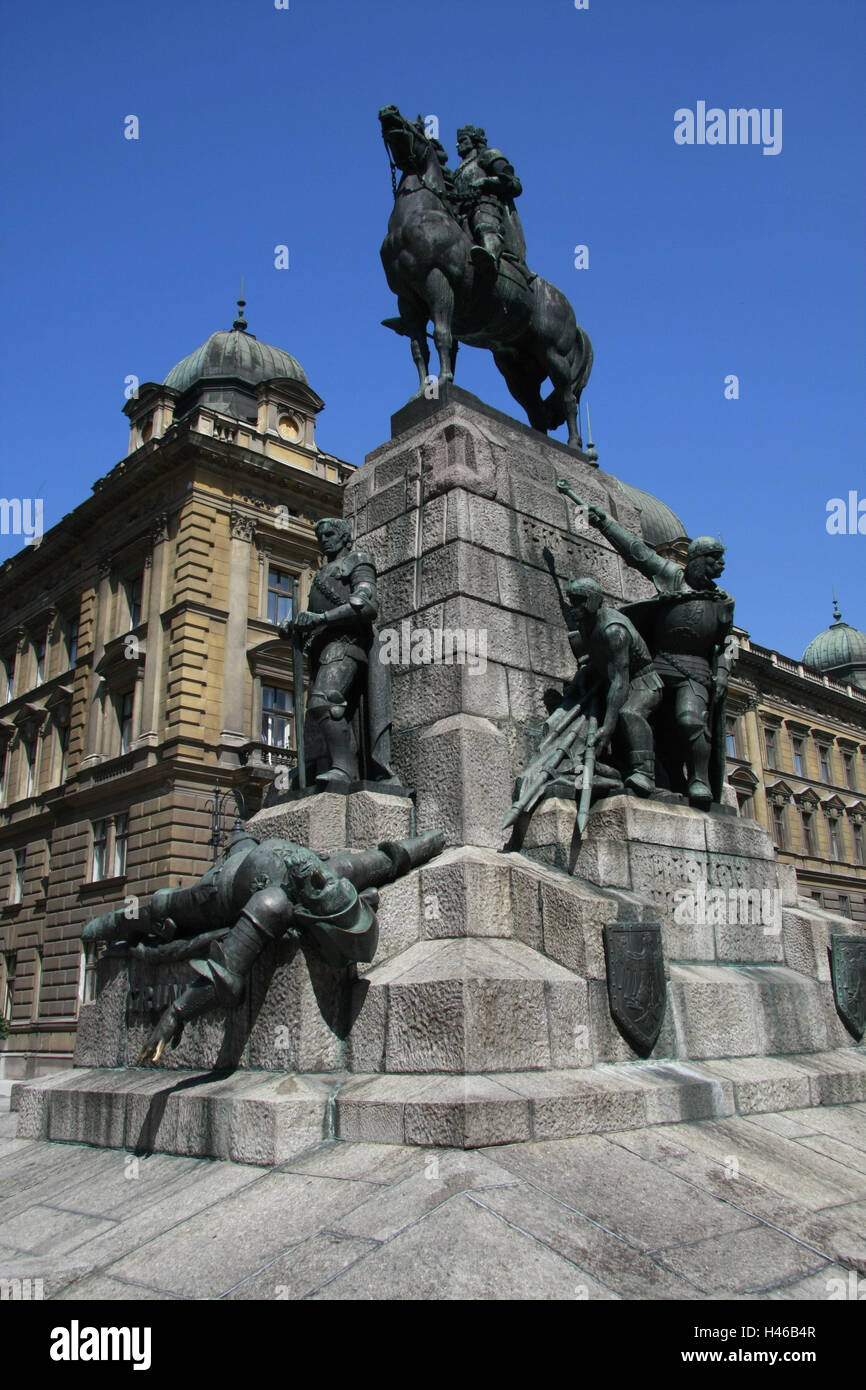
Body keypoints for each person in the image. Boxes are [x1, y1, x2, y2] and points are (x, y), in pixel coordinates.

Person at [82, 827, 444, 1063]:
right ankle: (100, 927)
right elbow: (392, 858)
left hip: (213, 893)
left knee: (157, 910)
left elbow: (227, 973)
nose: (322, 881)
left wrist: (176, 1014)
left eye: (320, 890)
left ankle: (103, 926)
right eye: (327, 882)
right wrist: (436, 839)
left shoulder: (273, 904)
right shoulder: (337, 875)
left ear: (310, 914)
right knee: (151, 909)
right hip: (243, 850)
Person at [557, 480, 735, 808]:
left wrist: (722, 671)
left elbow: (727, 644)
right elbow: (636, 552)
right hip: (660, 663)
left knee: (690, 720)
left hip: (695, 673)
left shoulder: (724, 602)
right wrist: (603, 522)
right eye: (714, 558)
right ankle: (643, 772)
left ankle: (698, 780)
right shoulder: (671, 576)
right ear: (695, 559)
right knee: (634, 712)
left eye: (720, 559)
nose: (720, 565)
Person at [281, 518, 395, 787]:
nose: (324, 539)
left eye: (330, 534)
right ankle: (326, 764)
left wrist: (320, 619)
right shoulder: (320, 574)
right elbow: (313, 617)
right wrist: (294, 625)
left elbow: (366, 604)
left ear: (344, 537)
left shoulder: (359, 561)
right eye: (320, 536)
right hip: (321, 649)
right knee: (318, 709)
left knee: (323, 701)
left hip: (348, 644)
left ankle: (344, 769)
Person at [452, 124, 526, 278]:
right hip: (462, 218)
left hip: (486, 207)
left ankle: (490, 259)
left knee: (484, 227)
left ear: (474, 141)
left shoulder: (488, 155)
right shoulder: (457, 173)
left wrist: (486, 182)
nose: (458, 144)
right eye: (458, 141)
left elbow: (514, 184)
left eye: (463, 140)